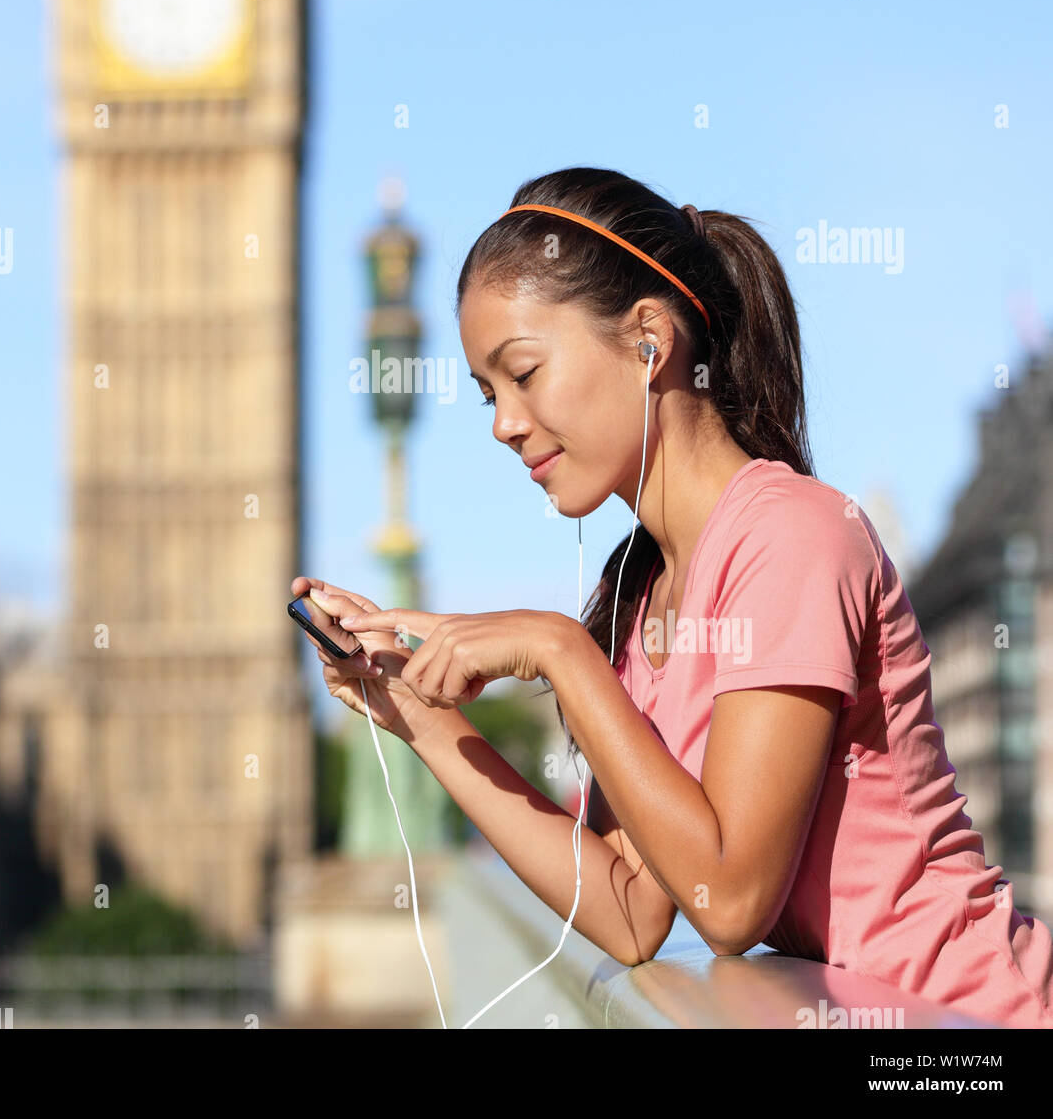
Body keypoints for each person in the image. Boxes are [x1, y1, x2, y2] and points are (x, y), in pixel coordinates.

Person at [293, 166, 1053, 1029]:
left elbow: (730, 903)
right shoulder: (640, 593)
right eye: (487, 394)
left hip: (978, 1029)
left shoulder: (794, 537)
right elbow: (628, 910)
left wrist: (558, 650)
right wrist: (415, 715)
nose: (503, 423)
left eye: (524, 373)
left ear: (650, 340)